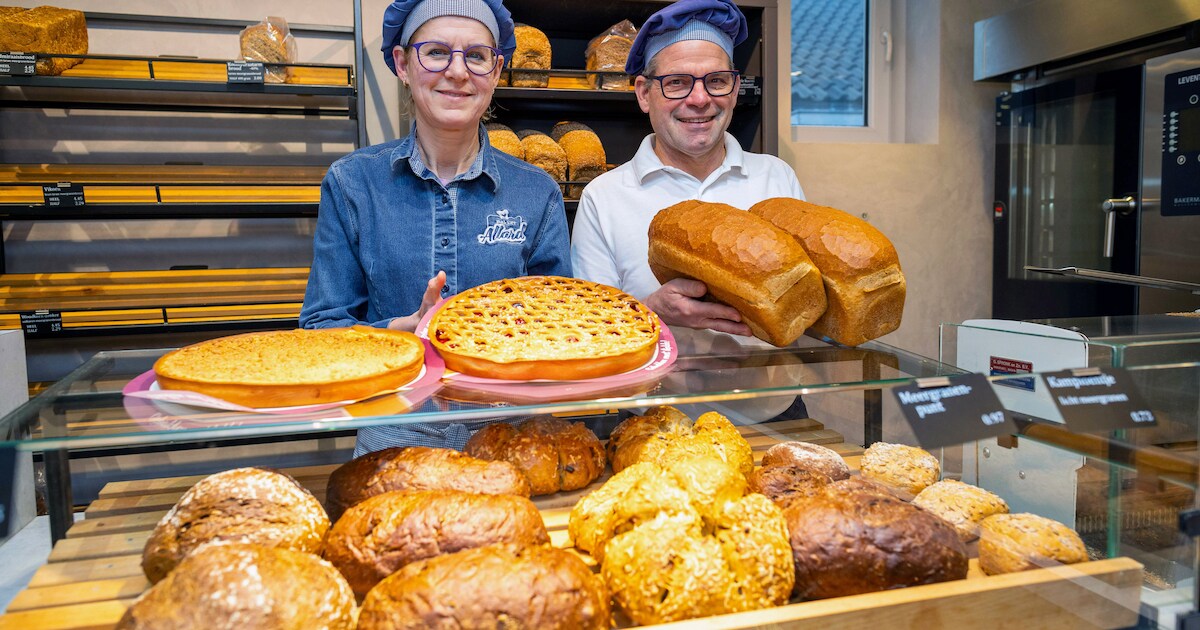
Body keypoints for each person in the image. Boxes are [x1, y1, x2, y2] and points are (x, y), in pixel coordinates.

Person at [300, 0, 571, 454]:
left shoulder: (536, 191)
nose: (457, 72)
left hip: (511, 437)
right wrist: (401, 333)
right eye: (437, 52)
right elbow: (321, 329)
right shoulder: (353, 183)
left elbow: (562, 325)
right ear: (403, 64)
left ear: (496, 70)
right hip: (395, 435)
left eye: (476, 56)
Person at [570, 0, 808, 421]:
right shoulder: (603, 197)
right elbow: (590, 334)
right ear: (644, 93)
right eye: (677, 83)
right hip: (651, 421)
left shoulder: (776, 178)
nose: (700, 99)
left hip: (773, 414)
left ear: (735, 88)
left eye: (716, 81)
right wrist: (652, 312)